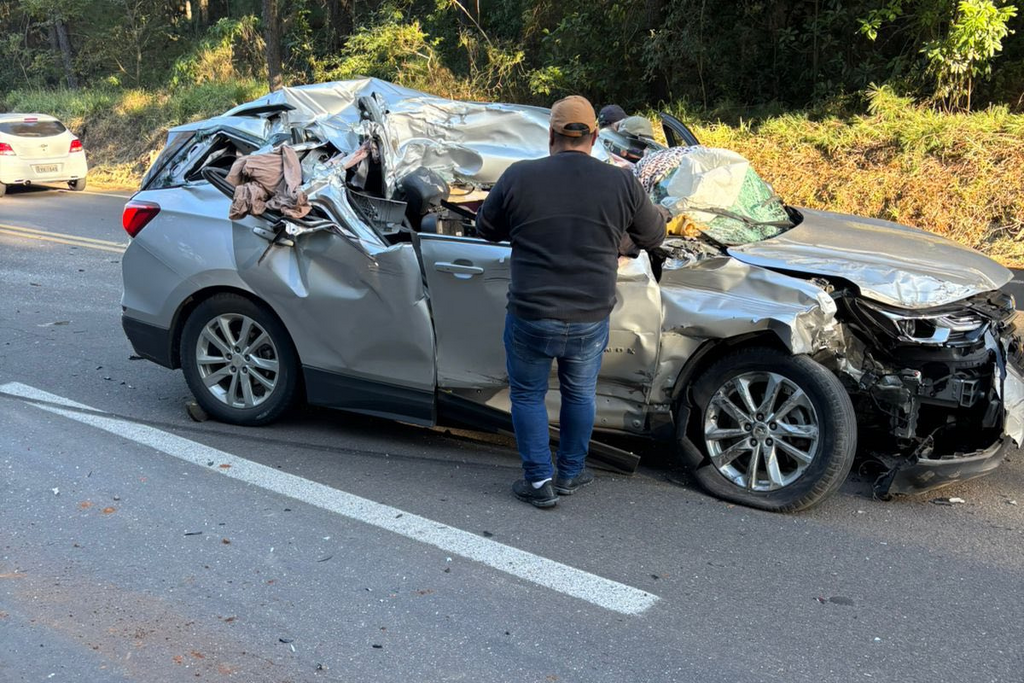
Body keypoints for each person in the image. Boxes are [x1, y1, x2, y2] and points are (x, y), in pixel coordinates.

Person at [476, 95, 667, 508]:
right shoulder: (621, 182)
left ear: (551, 135)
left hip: (530, 312)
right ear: (595, 136)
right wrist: (619, 237)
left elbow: (486, 229)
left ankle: (538, 482)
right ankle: (571, 472)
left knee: (527, 395)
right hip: (589, 315)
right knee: (579, 394)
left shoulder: (518, 176)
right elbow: (654, 237)